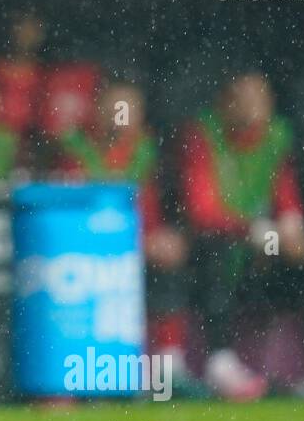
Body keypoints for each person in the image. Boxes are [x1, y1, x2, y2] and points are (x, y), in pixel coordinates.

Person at [177, 71, 304, 400]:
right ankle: (219, 363)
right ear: (225, 103)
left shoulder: (278, 135)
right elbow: (201, 211)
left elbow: (285, 191)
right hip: (214, 247)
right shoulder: (202, 134)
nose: (255, 107)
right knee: (215, 252)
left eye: (262, 98)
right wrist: (261, 233)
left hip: (261, 250)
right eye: (244, 98)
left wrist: (293, 227)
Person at [52, 79, 196, 387]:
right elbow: (72, 216)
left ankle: (168, 368)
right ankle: (91, 375)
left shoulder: (150, 152)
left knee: (169, 267)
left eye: (129, 109)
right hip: (85, 254)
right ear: (97, 110)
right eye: (115, 108)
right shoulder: (74, 149)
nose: (121, 117)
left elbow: (164, 209)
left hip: (140, 249)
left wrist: (165, 238)